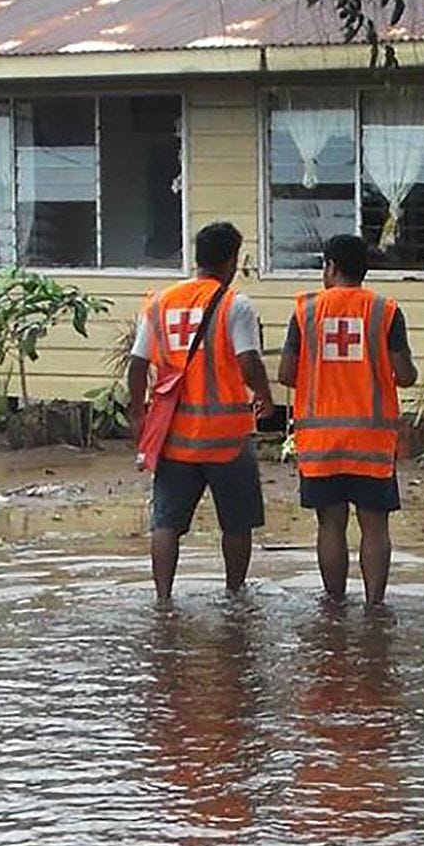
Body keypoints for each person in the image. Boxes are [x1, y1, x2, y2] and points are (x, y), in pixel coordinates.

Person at [127, 220, 274, 601]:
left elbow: (137, 364)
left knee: (166, 522)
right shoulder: (234, 304)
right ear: (231, 260)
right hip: (226, 436)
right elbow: (247, 362)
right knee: (237, 522)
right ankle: (235, 593)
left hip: (174, 434)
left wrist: (138, 414)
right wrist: (264, 394)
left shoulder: (160, 303)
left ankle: (163, 599)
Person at [275, 231, 419, 605]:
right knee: (375, 527)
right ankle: (374, 607)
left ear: (331, 266)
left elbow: (286, 374)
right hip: (371, 444)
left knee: (330, 525)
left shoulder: (305, 311)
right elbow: (405, 375)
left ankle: (334, 605)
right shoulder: (385, 311)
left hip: (321, 443)